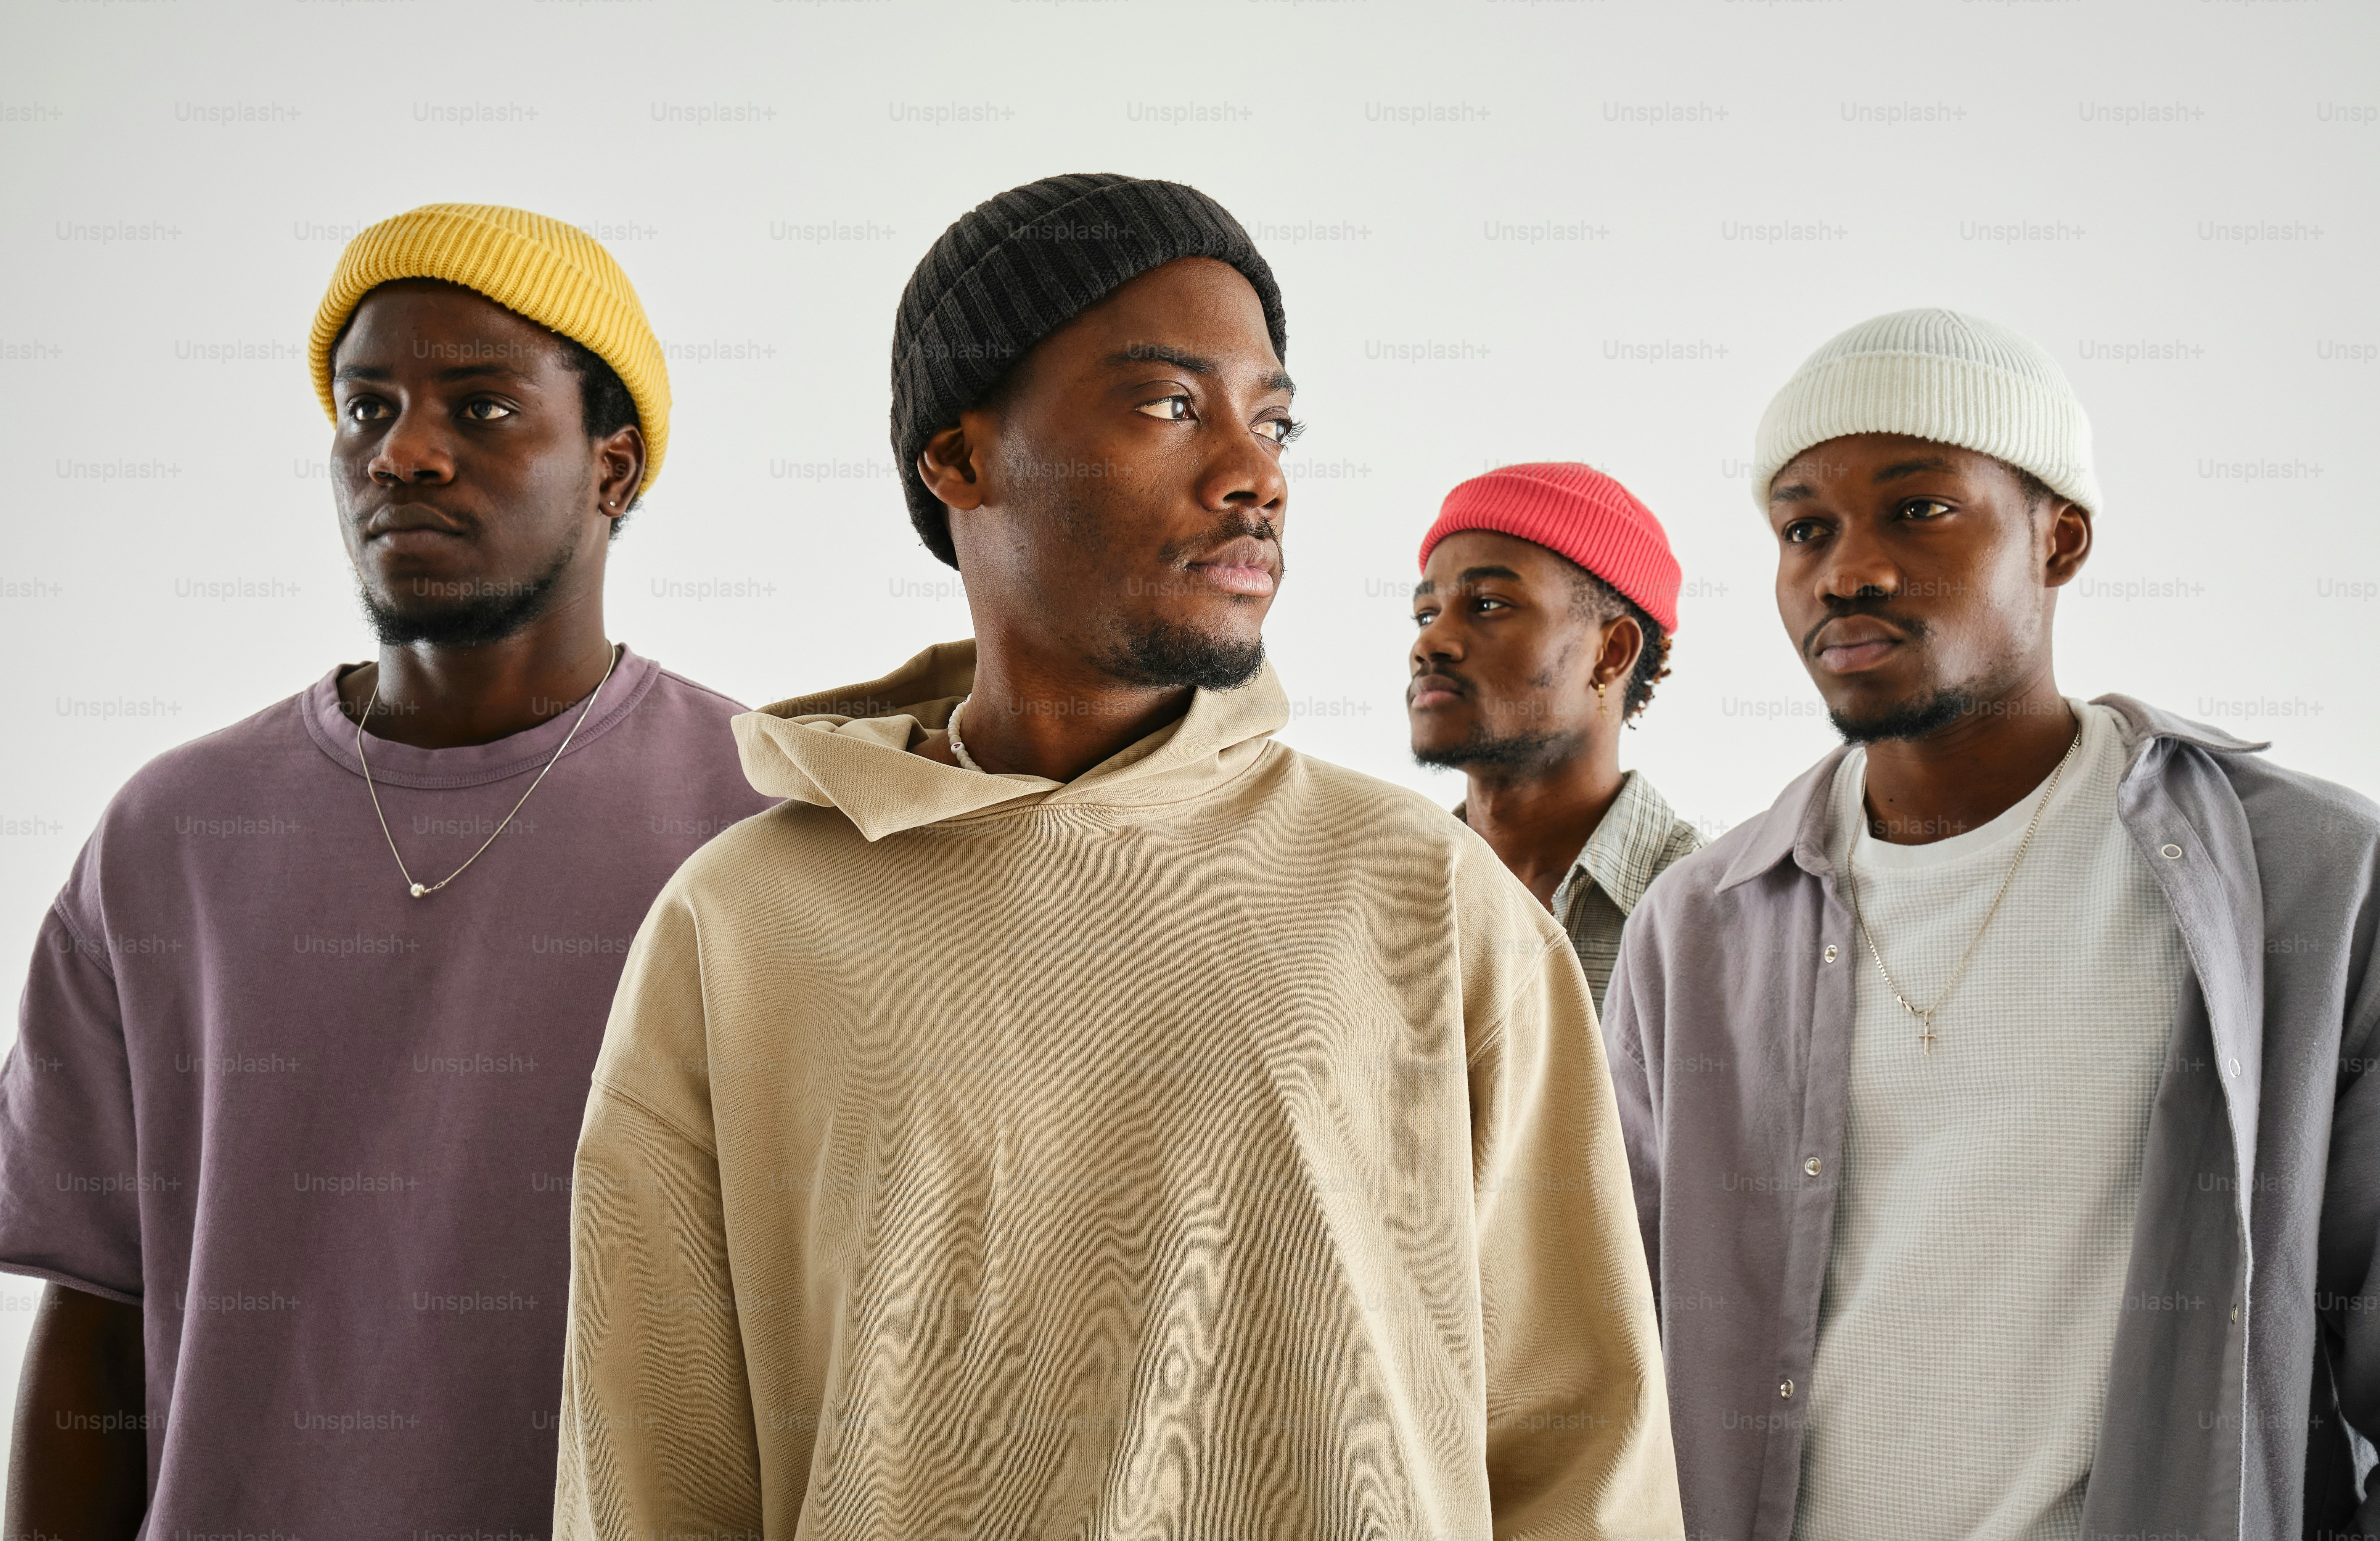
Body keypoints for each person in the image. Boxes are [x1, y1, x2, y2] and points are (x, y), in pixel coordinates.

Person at [553, 174, 1684, 1541]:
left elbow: (1587, 1468)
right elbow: (649, 1481)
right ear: (960, 458)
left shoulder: (1436, 905)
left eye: (1273, 421)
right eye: (1168, 405)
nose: (1255, 473)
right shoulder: (736, 930)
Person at [0, 203, 776, 1538]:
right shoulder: (171, 837)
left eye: (481, 410)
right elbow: (96, 1320)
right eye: (368, 409)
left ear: (613, 468)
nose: (403, 453)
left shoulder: (757, 825)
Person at [1599, 307, 2380, 1539]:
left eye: (1919, 509)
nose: (1848, 571)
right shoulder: (1698, 928)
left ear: (2058, 539)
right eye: (1806, 529)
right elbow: (1607, 1354)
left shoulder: (2306, 876)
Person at [1408, 462, 1700, 1009]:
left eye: (1488, 605)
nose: (1430, 644)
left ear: (1611, 653)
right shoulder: (1386, 893)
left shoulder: (1711, 911)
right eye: (1425, 615)